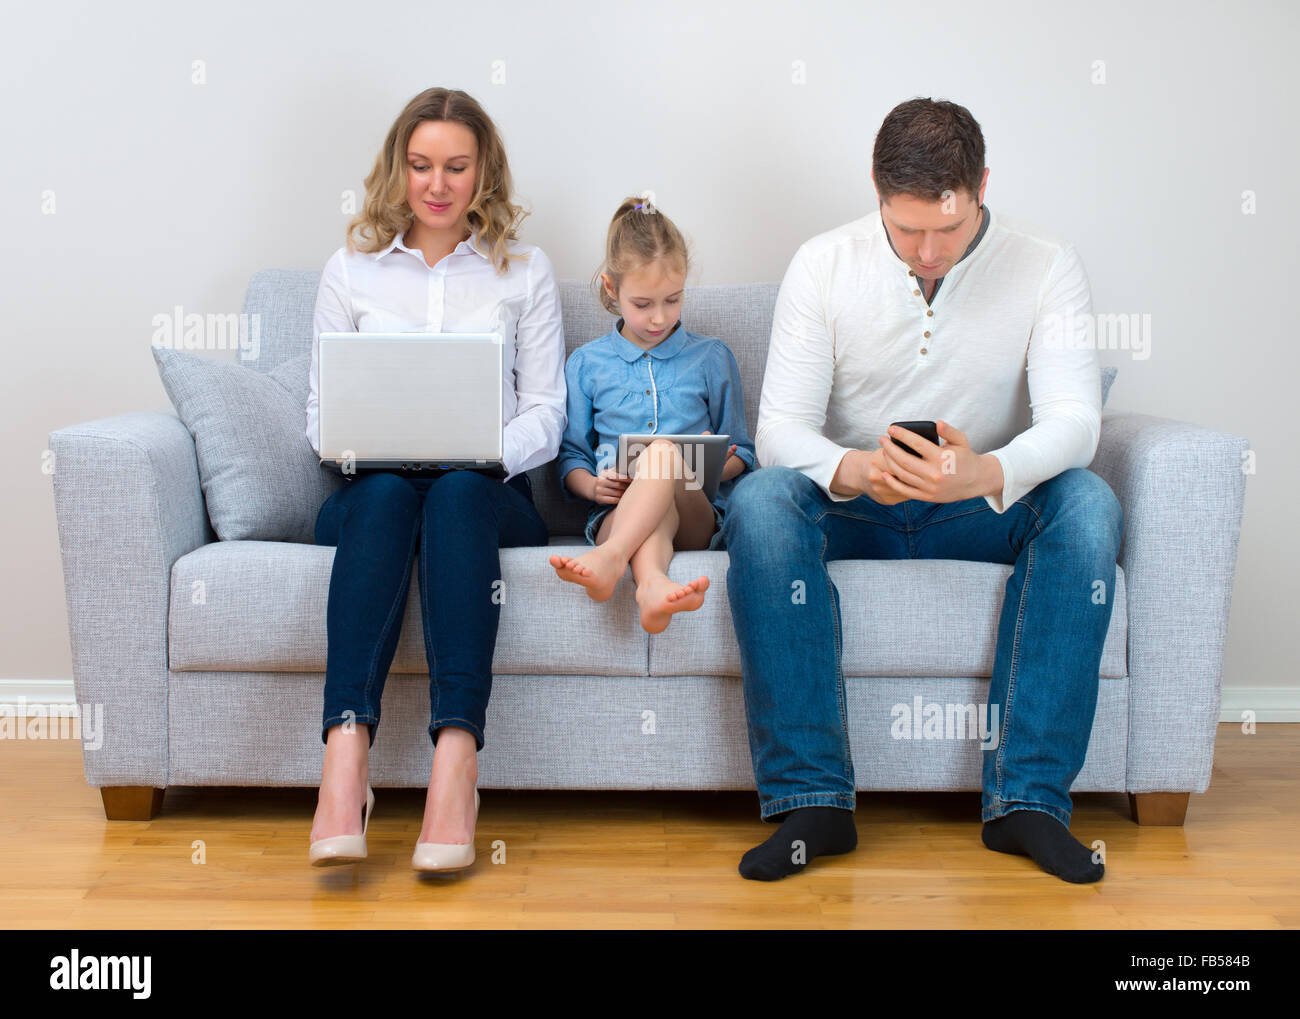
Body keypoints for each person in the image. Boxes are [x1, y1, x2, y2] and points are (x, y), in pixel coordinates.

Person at [724, 97, 1122, 883]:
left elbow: (1077, 420)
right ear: (876, 188)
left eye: (949, 227)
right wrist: (858, 469)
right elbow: (780, 430)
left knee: (1088, 502)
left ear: (980, 185)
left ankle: (1029, 802)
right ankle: (814, 801)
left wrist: (986, 471)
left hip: (978, 503)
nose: (930, 251)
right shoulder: (823, 263)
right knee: (763, 499)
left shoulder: (1047, 263)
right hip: (857, 503)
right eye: (908, 230)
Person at [304, 87, 566, 872]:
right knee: (385, 493)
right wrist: (370, 442)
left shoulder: (525, 271)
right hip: (374, 488)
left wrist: (476, 451)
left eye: (456, 166)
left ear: (483, 171)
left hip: (485, 496)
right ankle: (345, 761)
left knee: (453, 493)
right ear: (399, 169)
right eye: (421, 166)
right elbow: (320, 416)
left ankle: (456, 763)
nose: (438, 184)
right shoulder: (350, 269)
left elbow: (547, 413)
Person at [549, 197, 756, 633]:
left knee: (661, 454)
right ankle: (652, 587)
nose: (659, 318)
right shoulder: (586, 364)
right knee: (652, 499)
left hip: (695, 514)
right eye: (642, 304)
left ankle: (609, 560)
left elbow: (746, 453)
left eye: (673, 300)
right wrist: (592, 485)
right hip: (616, 514)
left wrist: (717, 460)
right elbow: (570, 457)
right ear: (611, 288)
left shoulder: (712, 358)